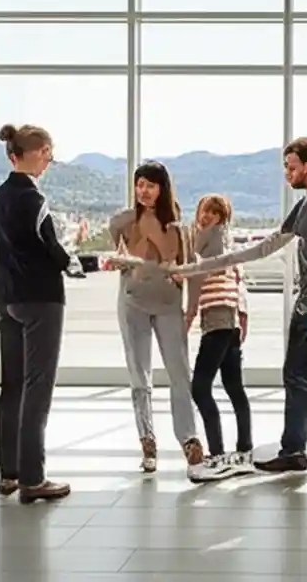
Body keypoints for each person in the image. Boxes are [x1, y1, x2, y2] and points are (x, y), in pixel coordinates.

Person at [167, 137, 307, 489]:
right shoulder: (304, 207)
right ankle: (294, 450)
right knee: (294, 375)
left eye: (291, 167)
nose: (287, 173)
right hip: (306, 304)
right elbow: (266, 247)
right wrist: (202, 267)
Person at [104, 161, 204, 478]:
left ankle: (189, 440)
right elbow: (114, 239)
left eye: (150, 185)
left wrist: (190, 308)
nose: (143, 191)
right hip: (133, 303)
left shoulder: (178, 227)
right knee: (140, 375)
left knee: (179, 373)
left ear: (162, 188)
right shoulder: (124, 219)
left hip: (168, 306)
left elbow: (187, 269)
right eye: (139, 184)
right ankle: (147, 441)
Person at [0, 123, 72, 504]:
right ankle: (33, 479)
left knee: (12, 386)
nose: (49, 161)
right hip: (40, 298)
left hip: (6, 299)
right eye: (46, 154)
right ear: (29, 154)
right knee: (38, 387)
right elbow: (51, 250)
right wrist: (74, 259)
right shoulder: (35, 200)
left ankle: (9, 474)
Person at [184, 193, 254, 482]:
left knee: (200, 387)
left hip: (218, 321)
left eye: (214, 213)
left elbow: (196, 273)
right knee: (233, 386)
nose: (206, 217)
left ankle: (217, 453)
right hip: (229, 322)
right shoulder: (226, 244)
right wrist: (243, 318)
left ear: (222, 219)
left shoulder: (209, 240)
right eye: (204, 211)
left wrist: (188, 317)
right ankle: (244, 450)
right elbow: (239, 283)